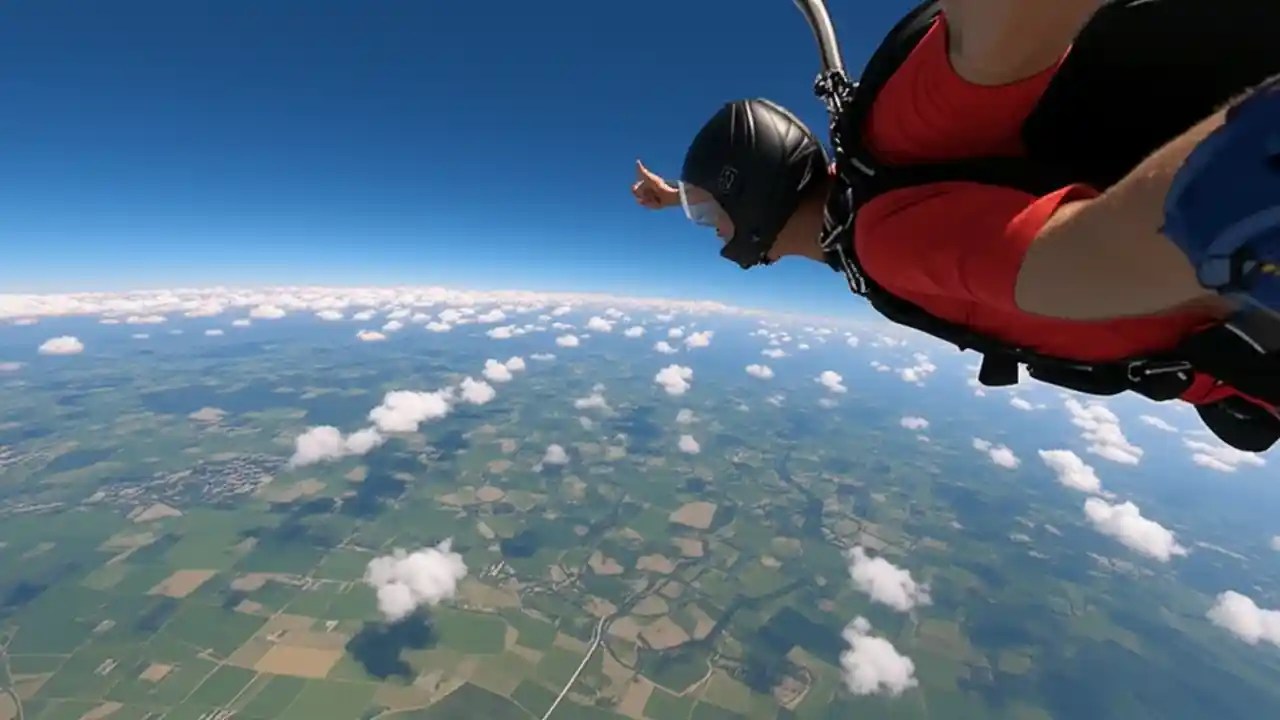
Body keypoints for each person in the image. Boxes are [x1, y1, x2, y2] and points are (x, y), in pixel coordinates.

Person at [631, 0, 1280, 452]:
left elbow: (1100, 256)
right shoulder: (867, 204)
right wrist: (675, 197)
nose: (713, 231)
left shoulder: (885, 239)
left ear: (749, 198)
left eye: (709, 214)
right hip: (1236, 356)